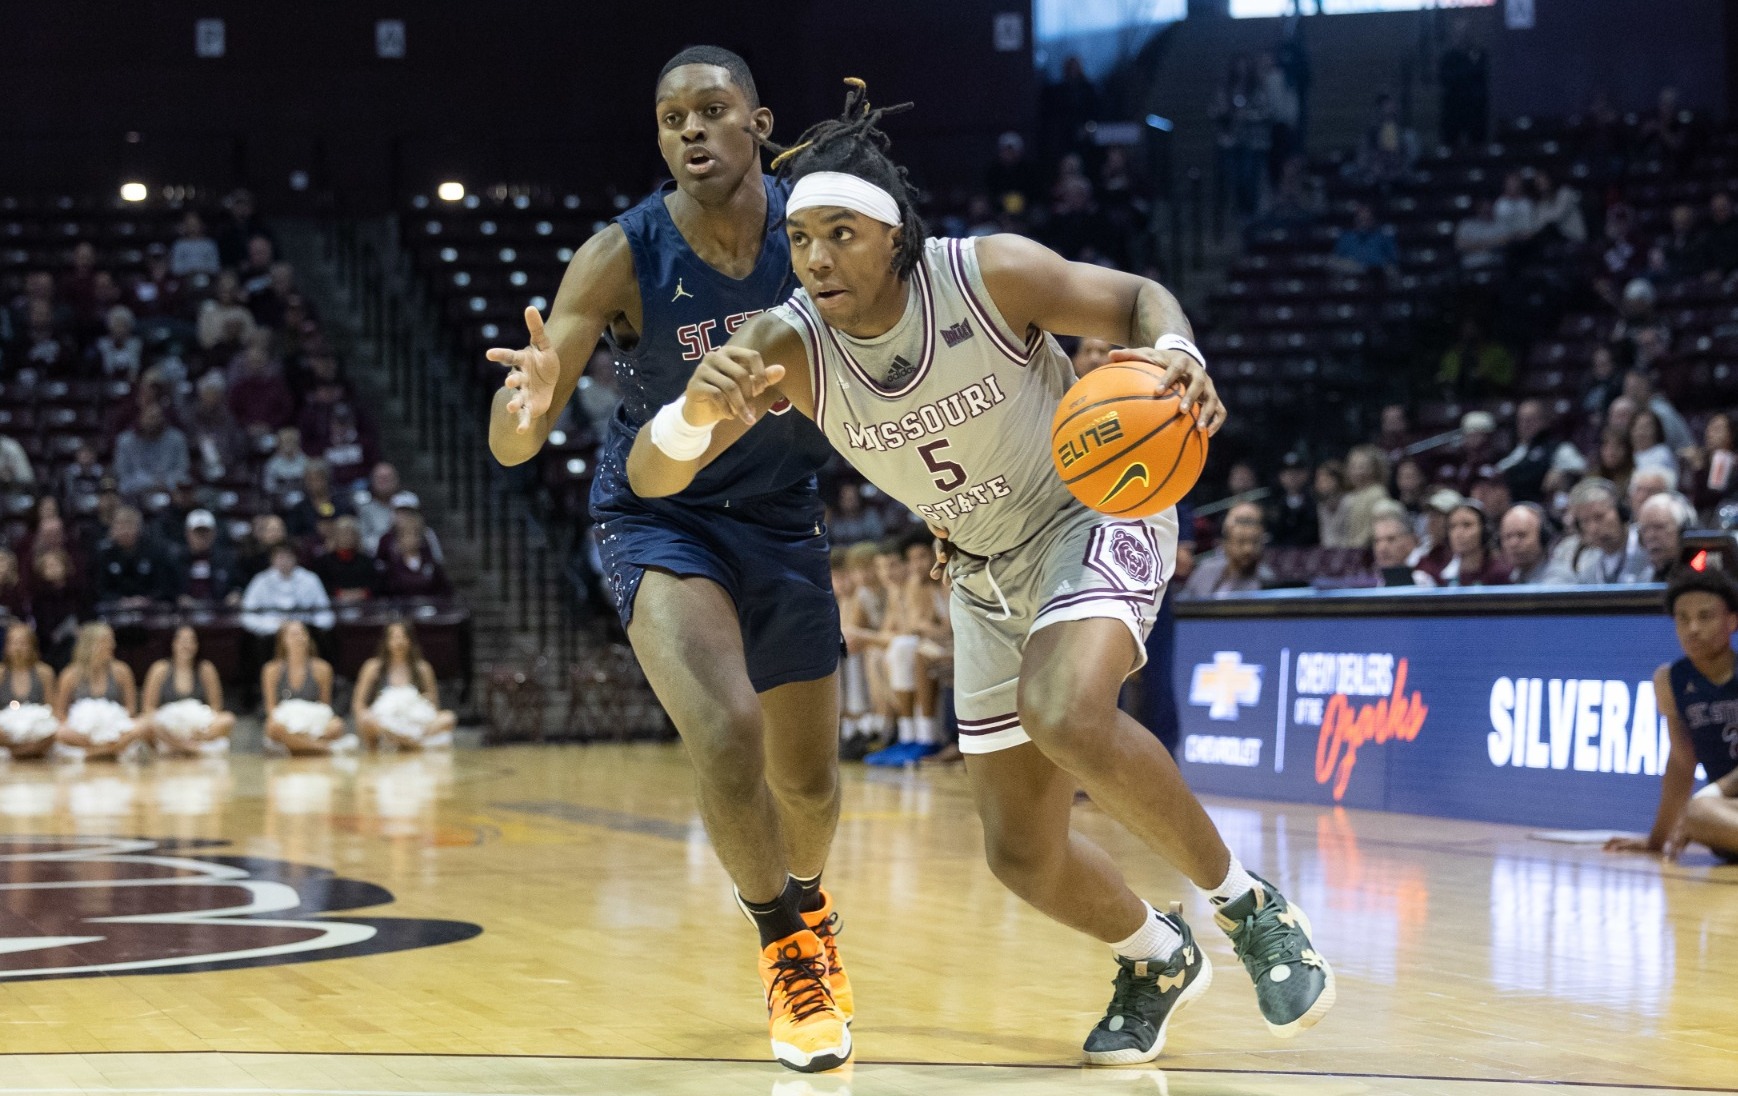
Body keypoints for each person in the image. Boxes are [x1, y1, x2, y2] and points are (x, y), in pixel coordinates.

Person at [627, 85, 1334, 1067]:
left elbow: (1132, 297)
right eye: (802, 239)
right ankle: (1153, 955)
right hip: (984, 571)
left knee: (1065, 709)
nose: (819, 258)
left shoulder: (985, 274)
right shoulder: (786, 343)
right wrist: (687, 417)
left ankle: (1249, 908)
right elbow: (649, 476)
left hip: (1092, 509)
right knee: (1019, 855)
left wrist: (1173, 350)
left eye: (840, 233)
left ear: (892, 237)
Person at [483, 48, 850, 1074]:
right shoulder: (619, 254)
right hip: (659, 512)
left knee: (811, 787)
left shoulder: (815, 231)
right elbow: (514, 445)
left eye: (711, 110)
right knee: (727, 728)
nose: (690, 131)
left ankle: (812, 905)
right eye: (670, 118)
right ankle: (786, 949)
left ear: (758, 121)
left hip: (782, 513)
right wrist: (527, 400)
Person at [1606, 569, 1738, 862]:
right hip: (1726, 812)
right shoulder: (1669, 680)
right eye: (1682, 618)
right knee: (1698, 815)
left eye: (1705, 617)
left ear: (1732, 620)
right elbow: (1681, 762)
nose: (1692, 628)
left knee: (1700, 808)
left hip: (1718, 798)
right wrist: (1656, 840)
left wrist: (1711, 793)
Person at [352, 620, 457, 750]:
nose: (399, 642)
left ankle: (410, 741)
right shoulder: (373, 667)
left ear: (410, 641)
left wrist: (423, 701)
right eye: (394, 637)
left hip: (416, 723)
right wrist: (365, 717)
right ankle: (409, 743)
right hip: (384, 723)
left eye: (403, 637)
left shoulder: (422, 668)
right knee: (366, 719)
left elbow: (434, 706)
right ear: (386, 641)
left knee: (448, 717)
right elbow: (358, 704)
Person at [53, 622, 144, 760]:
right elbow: (60, 713)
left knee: (141, 727)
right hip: (81, 732)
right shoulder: (70, 674)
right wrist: (81, 726)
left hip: (115, 731)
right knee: (59, 732)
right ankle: (108, 751)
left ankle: (95, 752)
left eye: (112, 640)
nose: (112, 645)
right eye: (106, 641)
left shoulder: (122, 671)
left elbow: (131, 710)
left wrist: (112, 724)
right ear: (90, 645)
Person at [141, 625, 235, 756]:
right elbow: (148, 707)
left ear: (197, 645)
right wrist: (168, 722)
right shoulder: (160, 669)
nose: (187, 645)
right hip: (169, 725)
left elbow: (216, 707)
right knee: (146, 723)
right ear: (173, 643)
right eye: (182, 641)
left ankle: (182, 745)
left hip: (198, 726)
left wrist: (197, 726)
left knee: (228, 719)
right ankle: (187, 748)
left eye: (191, 641)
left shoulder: (206, 669)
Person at [262, 619, 351, 755]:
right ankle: (323, 748)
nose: (298, 638)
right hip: (286, 720)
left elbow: (324, 705)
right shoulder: (271, 670)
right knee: (272, 727)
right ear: (283, 640)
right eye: (293, 634)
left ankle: (296, 745)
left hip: (313, 718)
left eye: (302, 634)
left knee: (337, 725)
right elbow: (271, 708)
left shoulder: (322, 668)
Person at [1544, 478, 1649, 584]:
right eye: (1585, 521)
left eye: (1599, 517)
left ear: (1621, 512)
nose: (1593, 528)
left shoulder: (1647, 545)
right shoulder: (1586, 565)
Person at [1184, 503, 1275, 598]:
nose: (1248, 549)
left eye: (1255, 542)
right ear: (1225, 543)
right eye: (1241, 542)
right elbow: (1182, 605)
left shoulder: (1266, 581)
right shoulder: (1205, 571)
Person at [0, 621, 60, 760]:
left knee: (57, 732)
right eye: (14, 643)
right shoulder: (1, 673)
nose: (18, 648)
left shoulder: (44, 672)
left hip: (37, 729)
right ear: (7, 647)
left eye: (23, 643)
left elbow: (53, 708)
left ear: (32, 647)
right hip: (6, 731)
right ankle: (23, 751)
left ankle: (27, 751)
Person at [1437, 502, 1509, 587]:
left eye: (1467, 525)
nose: (1458, 533)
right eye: (1452, 526)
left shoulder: (1500, 572)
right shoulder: (1443, 575)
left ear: (1484, 531)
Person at [1636, 493, 1693, 582]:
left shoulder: (1701, 578)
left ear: (1682, 531)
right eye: (1644, 530)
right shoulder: (1644, 580)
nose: (1650, 536)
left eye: (1659, 527)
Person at [1370, 510, 1432, 587]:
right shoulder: (1381, 575)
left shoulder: (1425, 572)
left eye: (1391, 539)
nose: (1382, 548)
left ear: (1410, 541)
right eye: (1377, 541)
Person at [1498, 503, 1553, 585]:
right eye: (1508, 536)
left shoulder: (1557, 579)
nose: (1513, 544)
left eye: (1521, 535)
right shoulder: (1509, 578)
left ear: (1542, 537)